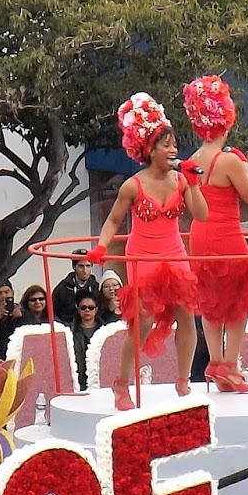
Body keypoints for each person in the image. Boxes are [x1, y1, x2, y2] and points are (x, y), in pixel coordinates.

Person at [90, 92, 210, 407]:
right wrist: (101, 246)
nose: (173, 150)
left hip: (175, 253)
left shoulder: (181, 181)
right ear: (149, 149)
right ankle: (121, 384)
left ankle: (183, 383)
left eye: (174, 144)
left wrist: (194, 184)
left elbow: (202, 215)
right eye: (166, 145)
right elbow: (113, 220)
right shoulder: (132, 185)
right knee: (142, 320)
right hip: (142, 256)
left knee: (187, 315)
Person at [183, 75, 248, 393]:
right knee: (239, 299)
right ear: (226, 121)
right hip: (225, 233)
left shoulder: (191, 161)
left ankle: (215, 362)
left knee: (211, 300)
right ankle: (230, 365)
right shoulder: (228, 160)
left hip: (199, 236)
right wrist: (242, 162)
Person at [52, 250, 102, 328]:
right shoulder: (62, 288)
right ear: (74, 267)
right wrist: (64, 328)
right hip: (68, 329)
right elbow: (52, 312)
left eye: (88, 266)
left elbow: (101, 312)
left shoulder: (96, 287)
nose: (85, 270)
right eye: (81, 266)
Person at [71, 297, 105, 390]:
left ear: (96, 309)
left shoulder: (105, 331)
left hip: (99, 379)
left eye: (91, 308)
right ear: (78, 309)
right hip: (78, 380)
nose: (87, 310)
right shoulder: (71, 331)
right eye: (83, 307)